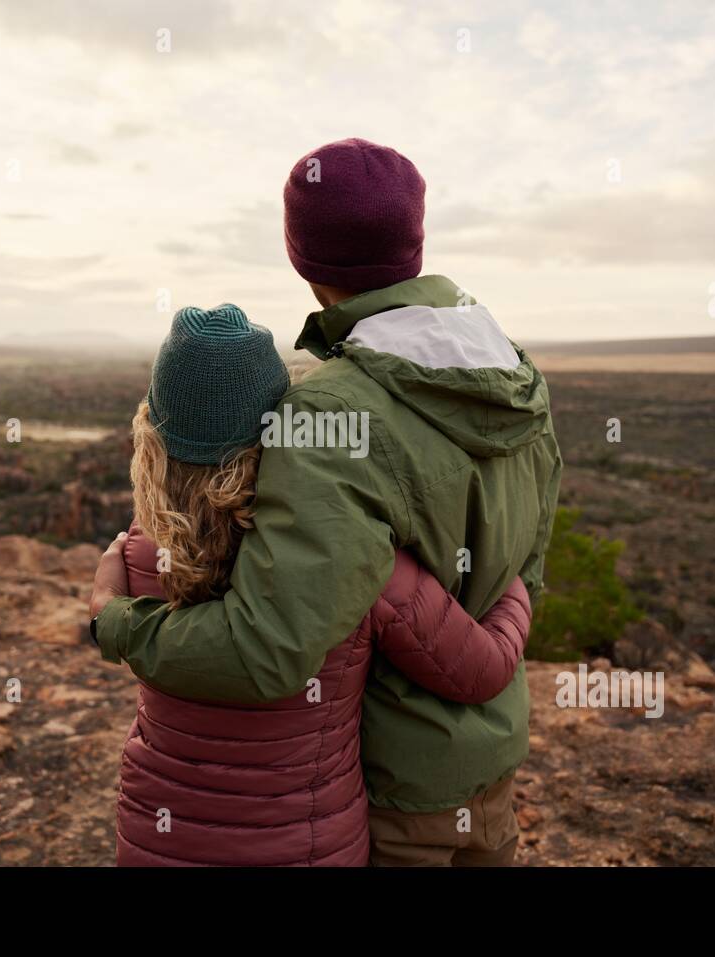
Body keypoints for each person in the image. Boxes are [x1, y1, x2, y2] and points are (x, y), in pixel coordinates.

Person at [91, 138, 562, 866]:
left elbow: (265, 646)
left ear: (301, 257)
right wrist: (513, 606)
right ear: (415, 241)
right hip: (491, 749)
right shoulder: (510, 369)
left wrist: (117, 622)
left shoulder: (324, 415)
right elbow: (530, 553)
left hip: (399, 781)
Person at [108, 302, 532, 865]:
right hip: (305, 845)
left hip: (156, 838)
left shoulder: (134, 553)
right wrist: (514, 581)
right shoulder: (347, 552)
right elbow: (480, 670)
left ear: (153, 437)